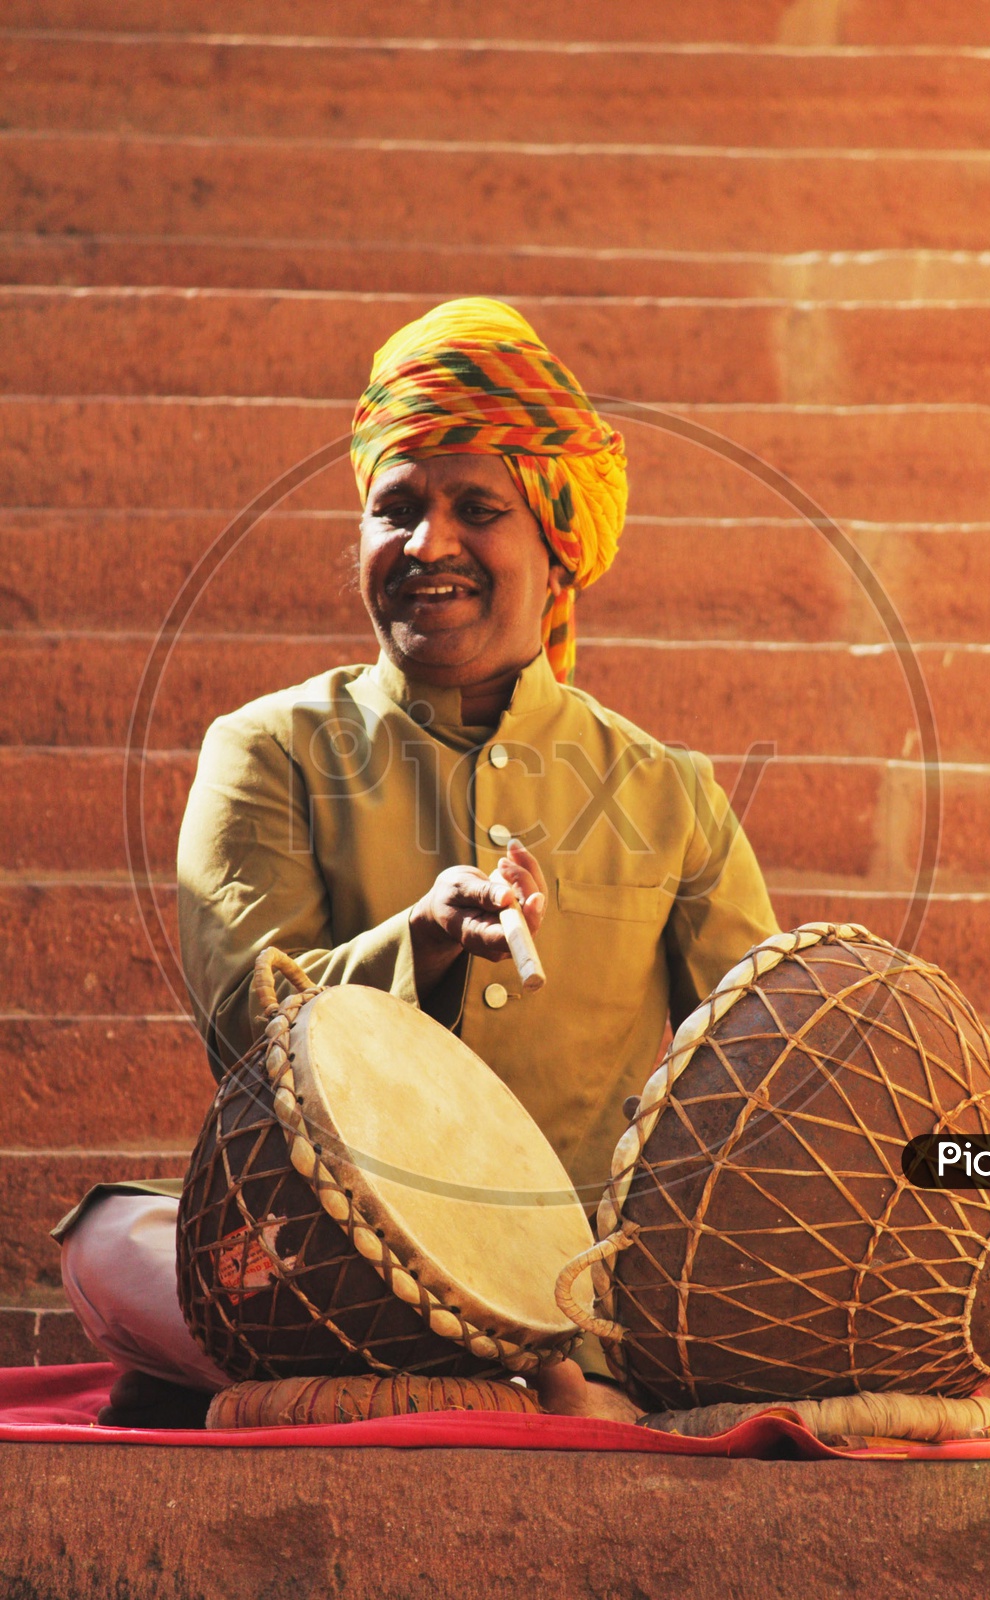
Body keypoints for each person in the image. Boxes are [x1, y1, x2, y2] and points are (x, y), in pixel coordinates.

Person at [57, 298, 778, 1428]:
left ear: (557, 541)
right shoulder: (268, 749)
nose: (427, 543)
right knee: (115, 1242)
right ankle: (514, 1392)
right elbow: (253, 1035)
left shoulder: (665, 790)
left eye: (475, 508)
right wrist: (421, 941)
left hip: (569, 1279)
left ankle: (481, 1374)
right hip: (328, 1262)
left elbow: (768, 1072)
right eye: (395, 509)